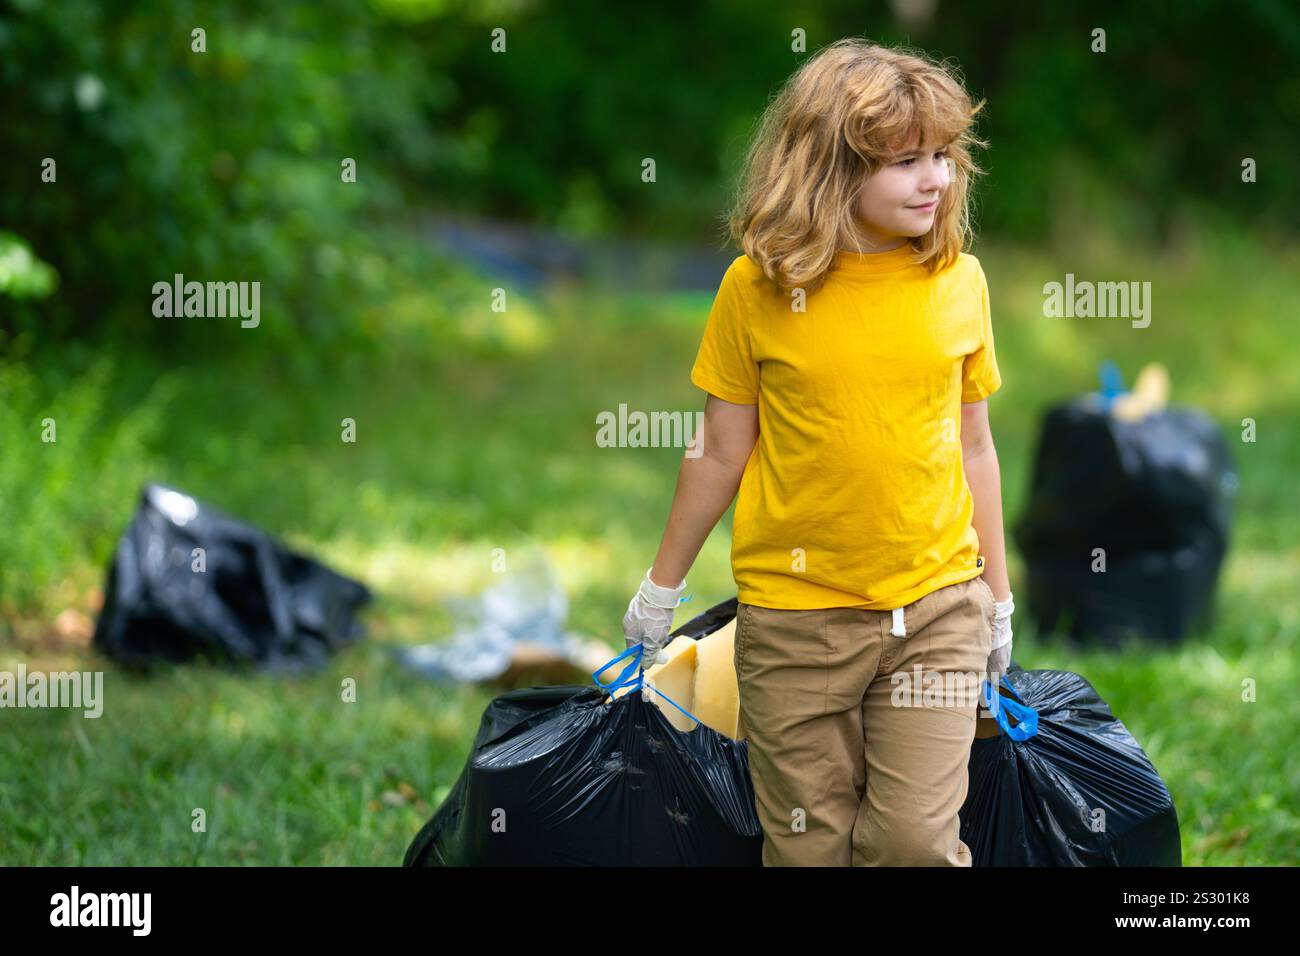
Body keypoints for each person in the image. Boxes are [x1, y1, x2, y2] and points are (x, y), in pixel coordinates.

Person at [623, 38, 1015, 866]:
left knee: (912, 845)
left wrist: (999, 598)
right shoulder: (756, 290)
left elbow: (975, 447)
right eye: (906, 160)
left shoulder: (959, 283)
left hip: (937, 610)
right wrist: (661, 589)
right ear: (831, 169)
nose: (936, 178)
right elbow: (718, 451)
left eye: (943, 155)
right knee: (808, 848)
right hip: (796, 623)